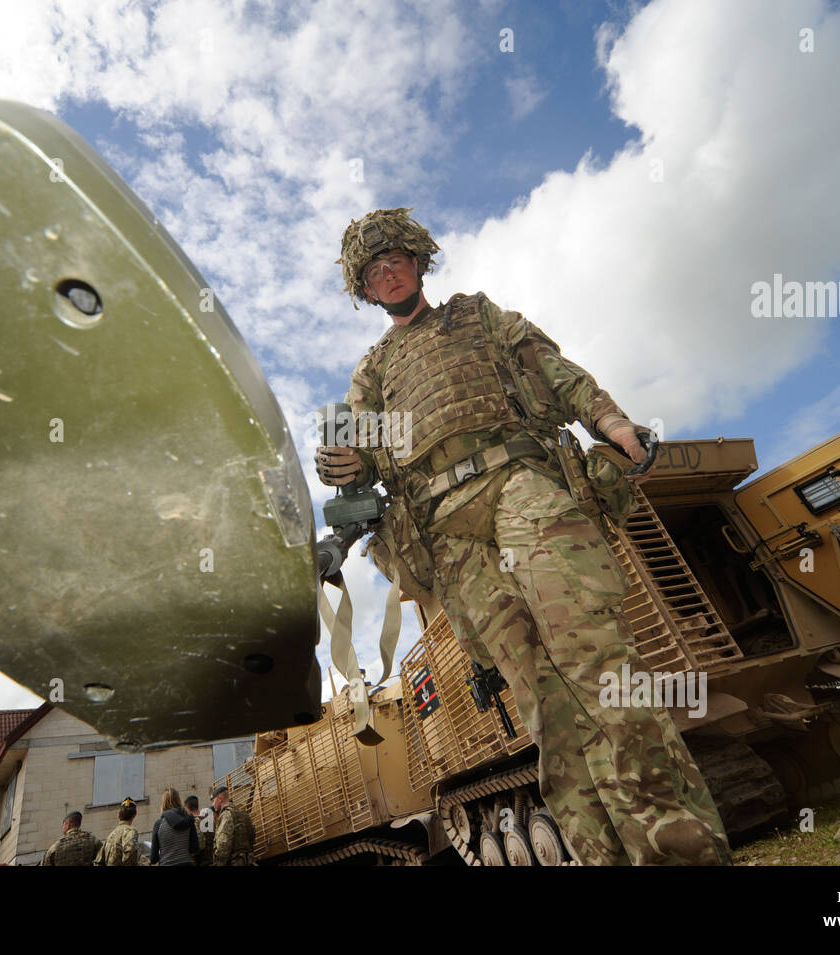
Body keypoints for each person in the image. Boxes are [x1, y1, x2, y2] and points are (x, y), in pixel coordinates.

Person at [316, 209, 731, 866]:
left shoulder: (478, 317)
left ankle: (677, 848)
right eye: (371, 271)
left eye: (394, 258)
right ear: (364, 290)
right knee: (543, 704)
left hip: (519, 482)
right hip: (448, 535)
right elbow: (362, 466)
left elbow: (555, 372)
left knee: (596, 661)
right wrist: (344, 481)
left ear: (419, 261)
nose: (386, 272)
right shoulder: (371, 373)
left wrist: (614, 424)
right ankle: (603, 855)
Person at [149, 787, 199, 866]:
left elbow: (153, 858)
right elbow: (195, 848)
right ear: (179, 800)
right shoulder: (188, 820)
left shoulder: (158, 824)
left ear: (163, 803)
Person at [210, 785, 254, 866]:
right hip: (247, 860)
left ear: (219, 799)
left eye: (213, 801)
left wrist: (218, 863)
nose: (212, 804)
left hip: (234, 862)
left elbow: (223, 844)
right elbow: (252, 834)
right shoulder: (242, 813)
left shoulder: (226, 815)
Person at [94, 798, 142, 866]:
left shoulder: (110, 835)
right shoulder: (131, 832)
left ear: (119, 816)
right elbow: (131, 852)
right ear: (135, 815)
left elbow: (98, 862)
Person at [185, 794, 212, 866]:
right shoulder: (208, 821)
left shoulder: (193, 822)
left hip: (199, 861)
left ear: (187, 808)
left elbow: (199, 845)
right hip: (211, 860)